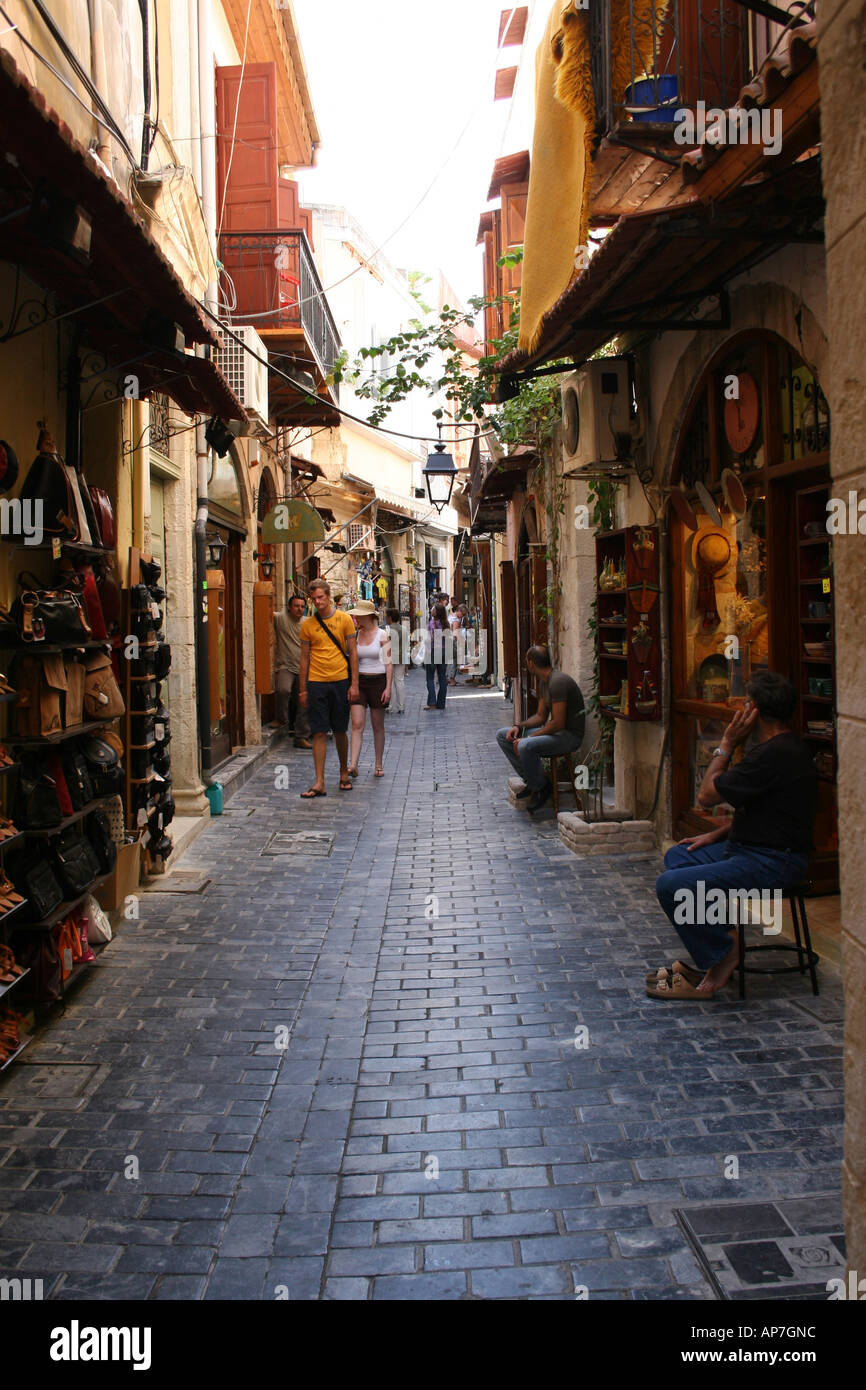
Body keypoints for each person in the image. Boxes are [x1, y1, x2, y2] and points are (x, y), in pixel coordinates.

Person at [650, 671, 818, 1000]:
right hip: (751, 846)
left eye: (744, 704)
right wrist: (715, 835)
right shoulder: (784, 748)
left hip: (773, 861)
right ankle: (724, 938)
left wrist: (726, 744)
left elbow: (706, 795)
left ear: (753, 711)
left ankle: (724, 953)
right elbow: (770, 811)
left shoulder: (772, 755)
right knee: (679, 856)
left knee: (671, 884)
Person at [496, 646, 585, 811]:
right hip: (557, 733)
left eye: (526, 662)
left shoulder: (558, 682)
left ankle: (541, 788)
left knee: (524, 745)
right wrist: (518, 726)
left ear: (531, 663)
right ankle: (534, 781)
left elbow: (558, 723)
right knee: (503, 735)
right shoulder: (545, 681)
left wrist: (530, 738)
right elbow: (540, 716)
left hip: (569, 736)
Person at [298, 579, 359, 797]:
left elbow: (353, 653)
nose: (317, 602)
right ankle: (319, 781)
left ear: (328, 596)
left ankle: (343, 773)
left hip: (340, 680)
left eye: (320, 597)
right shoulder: (307, 625)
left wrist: (354, 684)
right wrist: (303, 689)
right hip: (316, 682)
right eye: (313, 598)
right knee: (319, 731)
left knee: (340, 730)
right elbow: (304, 658)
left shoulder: (344, 620)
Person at [346, 601, 392, 778]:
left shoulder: (382, 635)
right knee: (357, 724)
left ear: (369, 616)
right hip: (360, 681)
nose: (356, 618)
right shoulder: (356, 635)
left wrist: (388, 688)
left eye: (359, 615)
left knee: (377, 726)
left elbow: (388, 663)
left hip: (378, 681)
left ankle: (378, 763)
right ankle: (353, 764)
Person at [273, 593, 312, 748]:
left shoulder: (308, 623)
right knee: (283, 690)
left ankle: (301, 736)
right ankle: (282, 719)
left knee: (304, 700)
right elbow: (264, 610)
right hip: (286, 666)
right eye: (296, 606)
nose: (299, 609)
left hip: (304, 668)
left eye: (302, 606)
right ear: (289, 607)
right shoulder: (280, 619)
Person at [424, 602, 449, 711]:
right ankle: (441, 703)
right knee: (442, 677)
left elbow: (430, 640)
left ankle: (432, 703)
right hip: (444, 651)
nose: (432, 610)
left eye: (433, 609)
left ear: (437, 612)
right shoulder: (446, 624)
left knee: (430, 678)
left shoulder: (432, 623)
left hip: (433, 652)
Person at [385, 607, 406, 714]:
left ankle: (390, 706)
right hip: (401, 657)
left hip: (390, 658)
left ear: (390, 617)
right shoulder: (404, 629)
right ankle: (401, 707)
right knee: (400, 681)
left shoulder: (388, 630)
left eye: (386, 617)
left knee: (390, 682)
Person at [447, 605, 464, 685]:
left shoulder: (450, 616)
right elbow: (455, 633)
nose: (462, 616)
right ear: (459, 611)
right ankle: (452, 679)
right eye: (463, 614)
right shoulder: (456, 620)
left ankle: (446, 677)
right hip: (452, 641)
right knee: (454, 660)